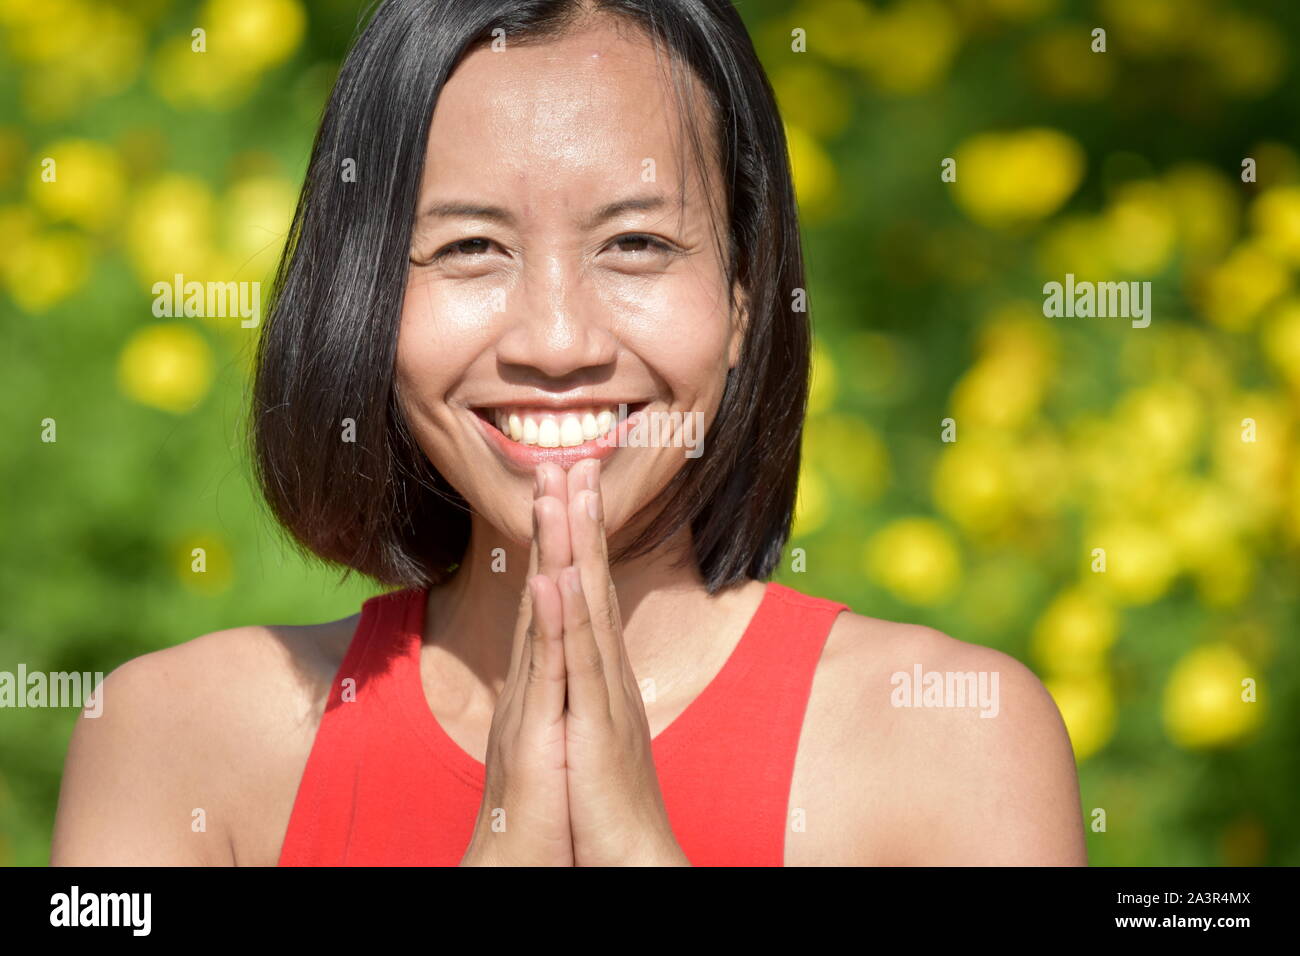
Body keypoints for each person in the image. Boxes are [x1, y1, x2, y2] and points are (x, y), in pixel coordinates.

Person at [51, 0, 1087, 866]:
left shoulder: (955, 743)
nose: (555, 340)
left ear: (740, 302)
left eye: (636, 243)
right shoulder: (175, 742)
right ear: (368, 297)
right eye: (469, 246)